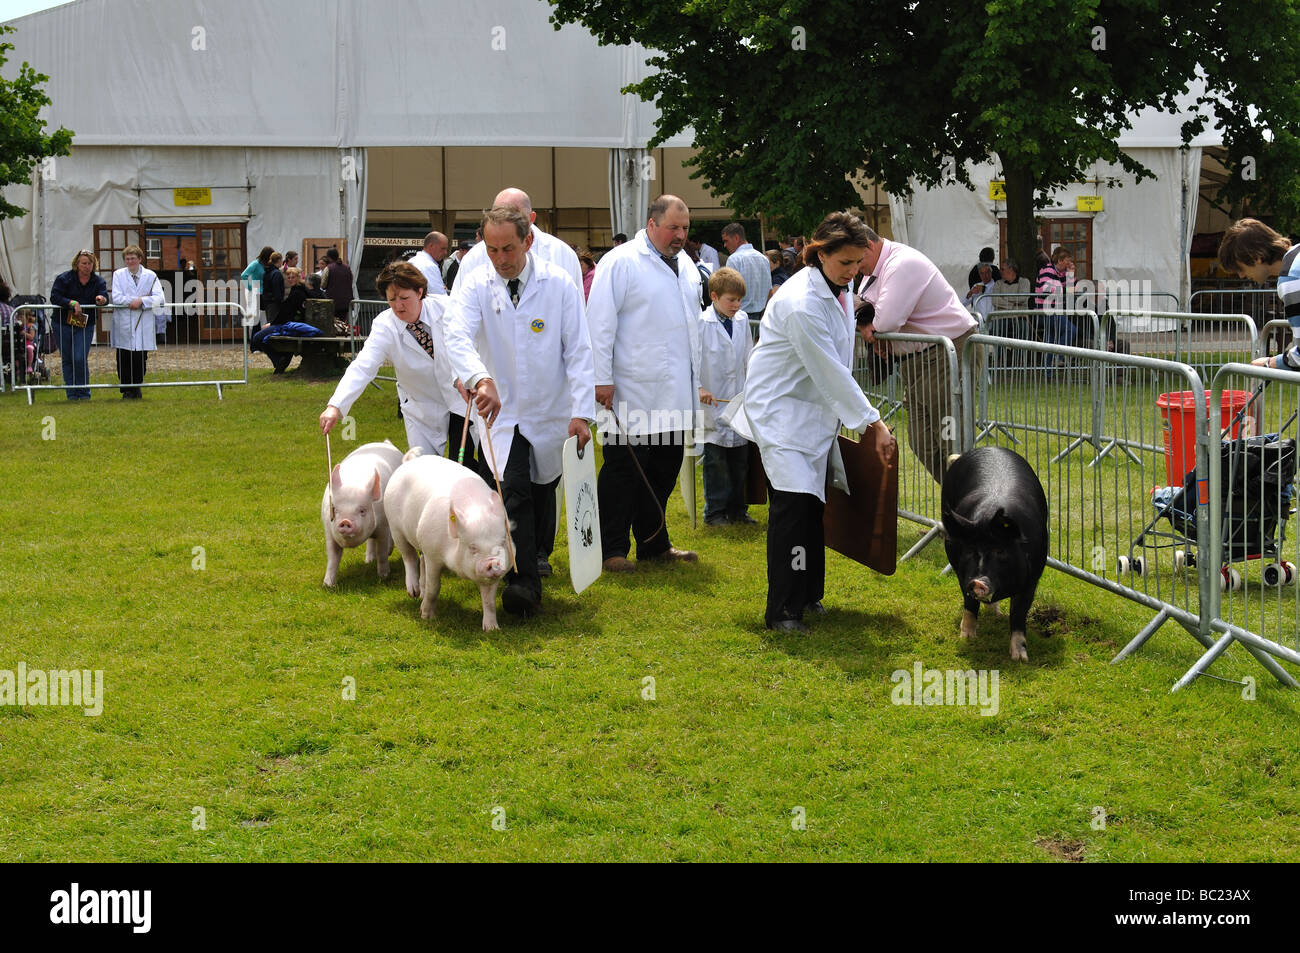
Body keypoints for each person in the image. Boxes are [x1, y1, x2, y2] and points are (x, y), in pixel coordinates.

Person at [726, 212, 890, 632]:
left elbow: (835, 361)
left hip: (811, 414)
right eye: (846, 264)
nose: (854, 272)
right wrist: (872, 422)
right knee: (793, 507)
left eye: (858, 263)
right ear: (819, 254)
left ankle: (809, 595)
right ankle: (782, 609)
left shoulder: (836, 285)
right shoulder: (800, 302)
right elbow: (829, 369)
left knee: (813, 505)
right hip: (781, 413)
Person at [443, 205, 595, 617]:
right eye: (491, 250)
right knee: (512, 492)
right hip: (500, 414)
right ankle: (522, 582)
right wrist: (479, 378)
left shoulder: (560, 284)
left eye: (508, 248)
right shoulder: (475, 284)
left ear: (528, 241)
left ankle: (534, 558)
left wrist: (582, 411)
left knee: (544, 488)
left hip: (550, 410)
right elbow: (456, 335)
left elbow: (579, 350)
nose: (501, 259)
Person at [587, 194, 704, 572]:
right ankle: (612, 549)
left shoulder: (685, 265)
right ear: (652, 224)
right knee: (624, 471)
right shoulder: (620, 262)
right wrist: (600, 378)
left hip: (673, 391)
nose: (680, 235)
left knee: (664, 469)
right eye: (674, 227)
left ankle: (654, 544)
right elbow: (600, 323)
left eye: (685, 228)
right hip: (631, 390)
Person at [856, 225, 978, 484]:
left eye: (856, 259)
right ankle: (957, 511)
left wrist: (868, 322)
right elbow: (858, 305)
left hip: (945, 355)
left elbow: (885, 321)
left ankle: (967, 516)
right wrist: (865, 321)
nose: (854, 269)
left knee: (952, 444)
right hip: (917, 361)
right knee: (922, 443)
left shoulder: (902, 263)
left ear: (869, 245)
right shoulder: (875, 270)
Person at [320, 261, 461, 456]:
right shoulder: (384, 325)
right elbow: (363, 366)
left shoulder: (448, 308)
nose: (398, 305)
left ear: (420, 292)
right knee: (423, 470)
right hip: (422, 408)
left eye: (404, 298)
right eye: (391, 299)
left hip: (463, 399)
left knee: (468, 467)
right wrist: (335, 406)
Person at [697, 267, 755, 526]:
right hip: (712, 401)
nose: (736, 305)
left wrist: (753, 385)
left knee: (740, 460)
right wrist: (699, 387)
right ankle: (715, 512)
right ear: (714, 296)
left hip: (738, 399)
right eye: (731, 300)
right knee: (716, 461)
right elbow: (693, 361)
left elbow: (748, 355)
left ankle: (738, 510)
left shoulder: (742, 320)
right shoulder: (701, 324)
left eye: (739, 300)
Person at [453, 188, 582, 294]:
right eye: (499, 215)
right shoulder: (474, 258)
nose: (506, 222)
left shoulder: (563, 254)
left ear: (531, 218)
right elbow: (456, 315)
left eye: (515, 216)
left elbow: (576, 317)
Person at [1217, 219, 1300, 368]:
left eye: (1240, 268)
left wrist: (1269, 363)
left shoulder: (1292, 278)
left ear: (1256, 257)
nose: (1241, 275)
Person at [49, 250, 109, 399]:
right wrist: (71, 302)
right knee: (67, 358)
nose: (87, 266)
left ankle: (83, 393)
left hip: (85, 324)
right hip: (62, 323)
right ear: (77, 263)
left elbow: (105, 296)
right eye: (83, 263)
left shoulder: (98, 281)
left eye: (90, 263)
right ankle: (72, 393)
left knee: (79, 357)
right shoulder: (64, 278)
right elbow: (55, 296)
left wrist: (102, 299)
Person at [109, 244, 166, 399]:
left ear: (140, 259)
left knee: (140, 357)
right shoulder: (118, 275)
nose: (130, 261)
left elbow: (160, 298)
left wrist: (142, 301)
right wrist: (131, 302)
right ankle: (126, 390)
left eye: (133, 258)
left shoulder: (151, 275)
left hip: (143, 321)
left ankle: (137, 386)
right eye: (127, 259)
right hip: (124, 322)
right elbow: (117, 297)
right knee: (124, 356)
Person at [250, 266, 309, 372]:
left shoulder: (297, 293)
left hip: (290, 325)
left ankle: (278, 360)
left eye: (293, 277)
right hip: (290, 324)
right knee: (266, 337)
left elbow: (286, 313)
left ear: (298, 277)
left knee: (257, 338)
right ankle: (281, 361)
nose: (291, 279)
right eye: (289, 277)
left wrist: (271, 324)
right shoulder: (299, 290)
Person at [720, 222, 771, 321]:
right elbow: (770, 291)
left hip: (739, 317)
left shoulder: (734, 259)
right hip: (762, 317)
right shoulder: (763, 258)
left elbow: (729, 291)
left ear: (736, 238)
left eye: (726, 241)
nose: (725, 245)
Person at [1035, 246, 1077, 361]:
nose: (1069, 263)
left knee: (1051, 339)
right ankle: (1058, 357)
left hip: (1056, 311)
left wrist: (1070, 275)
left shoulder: (1062, 273)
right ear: (1060, 261)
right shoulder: (1047, 270)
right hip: (1046, 311)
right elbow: (1046, 290)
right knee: (1071, 330)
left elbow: (1071, 291)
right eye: (1067, 260)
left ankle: (1047, 370)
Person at [241, 246, 274, 328]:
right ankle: (255, 337)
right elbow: (243, 275)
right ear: (266, 256)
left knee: (266, 316)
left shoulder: (268, 265)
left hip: (265, 293)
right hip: (256, 293)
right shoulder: (255, 264)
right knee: (257, 318)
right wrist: (249, 287)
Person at [409, 231, 449, 295]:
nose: (445, 252)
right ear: (431, 246)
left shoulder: (412, 261)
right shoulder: (429, 266)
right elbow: (439, 297)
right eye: (442, 248)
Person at [323, 248, 354, 322]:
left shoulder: (328, 268)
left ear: (329, 257)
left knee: (332, 324)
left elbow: (323, 284)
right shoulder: (347, 268)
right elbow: (351, 280)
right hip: (346, 302)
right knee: (342, 324)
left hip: (332, 302)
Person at [262, 252, 285, 325]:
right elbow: (276, 289)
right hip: (274, 302)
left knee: (269, 321)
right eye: (281, 260)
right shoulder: (276, 273)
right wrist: (280, 301)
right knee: (273, 324)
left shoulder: (267, 271)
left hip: (267, 301)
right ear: (279, 260)